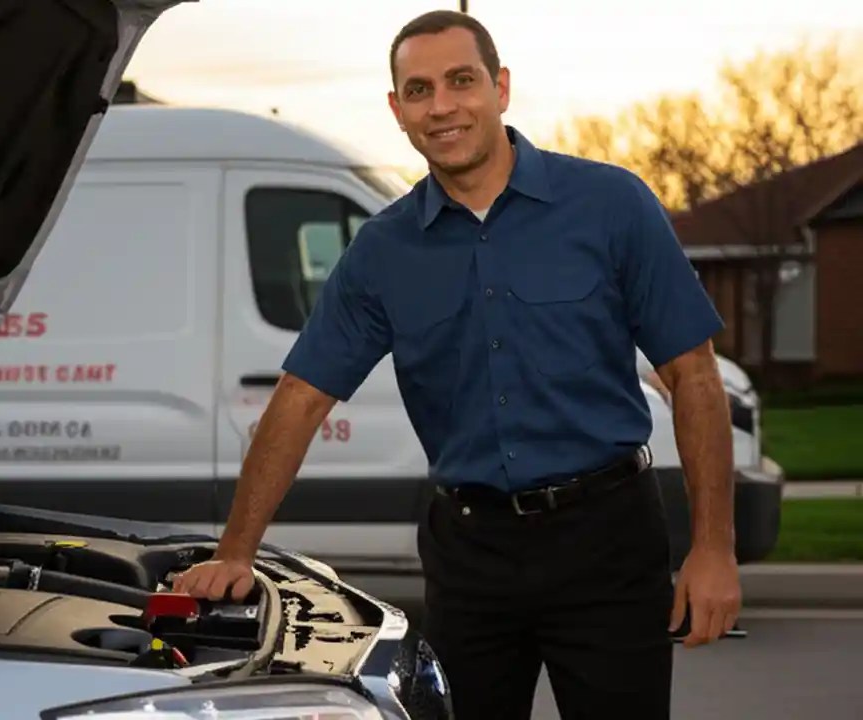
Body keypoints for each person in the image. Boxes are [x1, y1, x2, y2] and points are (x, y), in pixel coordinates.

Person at [171, 9, 742, 720]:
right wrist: (236, 551)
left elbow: (694, 373)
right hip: (470, 558)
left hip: (608, 545)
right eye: (418, 90)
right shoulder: (382, 252)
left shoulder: (610, 205)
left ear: (501, 87)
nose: (442, 106)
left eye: (461, 81)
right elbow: (300, 396)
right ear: (397, 110)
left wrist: (714, 549)